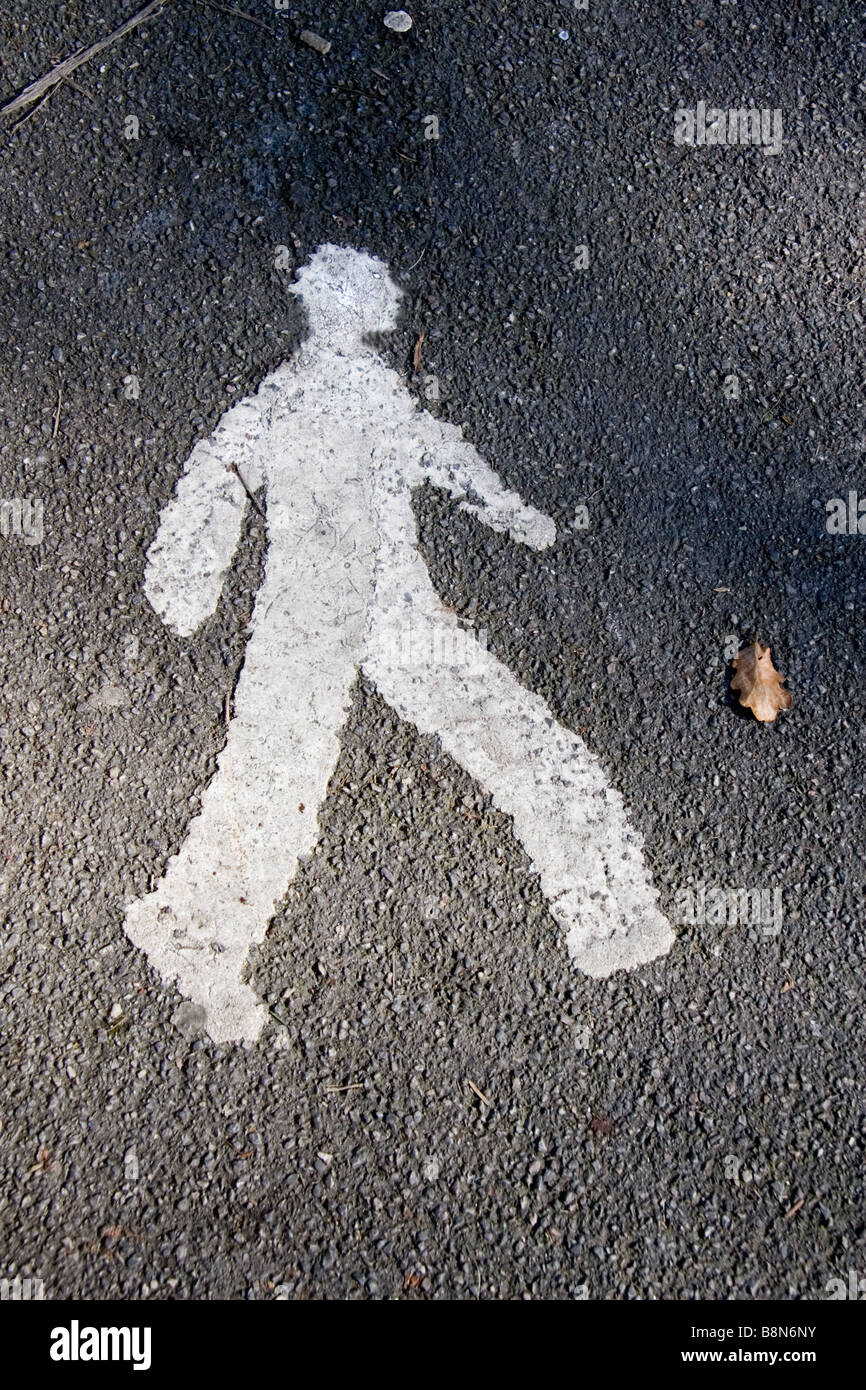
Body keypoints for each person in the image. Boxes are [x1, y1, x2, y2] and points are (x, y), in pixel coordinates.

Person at [125, 244, 673, 1043]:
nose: (364, 316)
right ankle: (197, 937)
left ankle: (611, 907)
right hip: (316, 610)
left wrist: (508, 509)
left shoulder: (354, 394)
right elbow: (224, 474)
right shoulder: (295, 397)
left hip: (378, 603)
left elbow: (431, 452)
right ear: (340, 311)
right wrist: (185, 578)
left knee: (485, 732)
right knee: (282, 771)